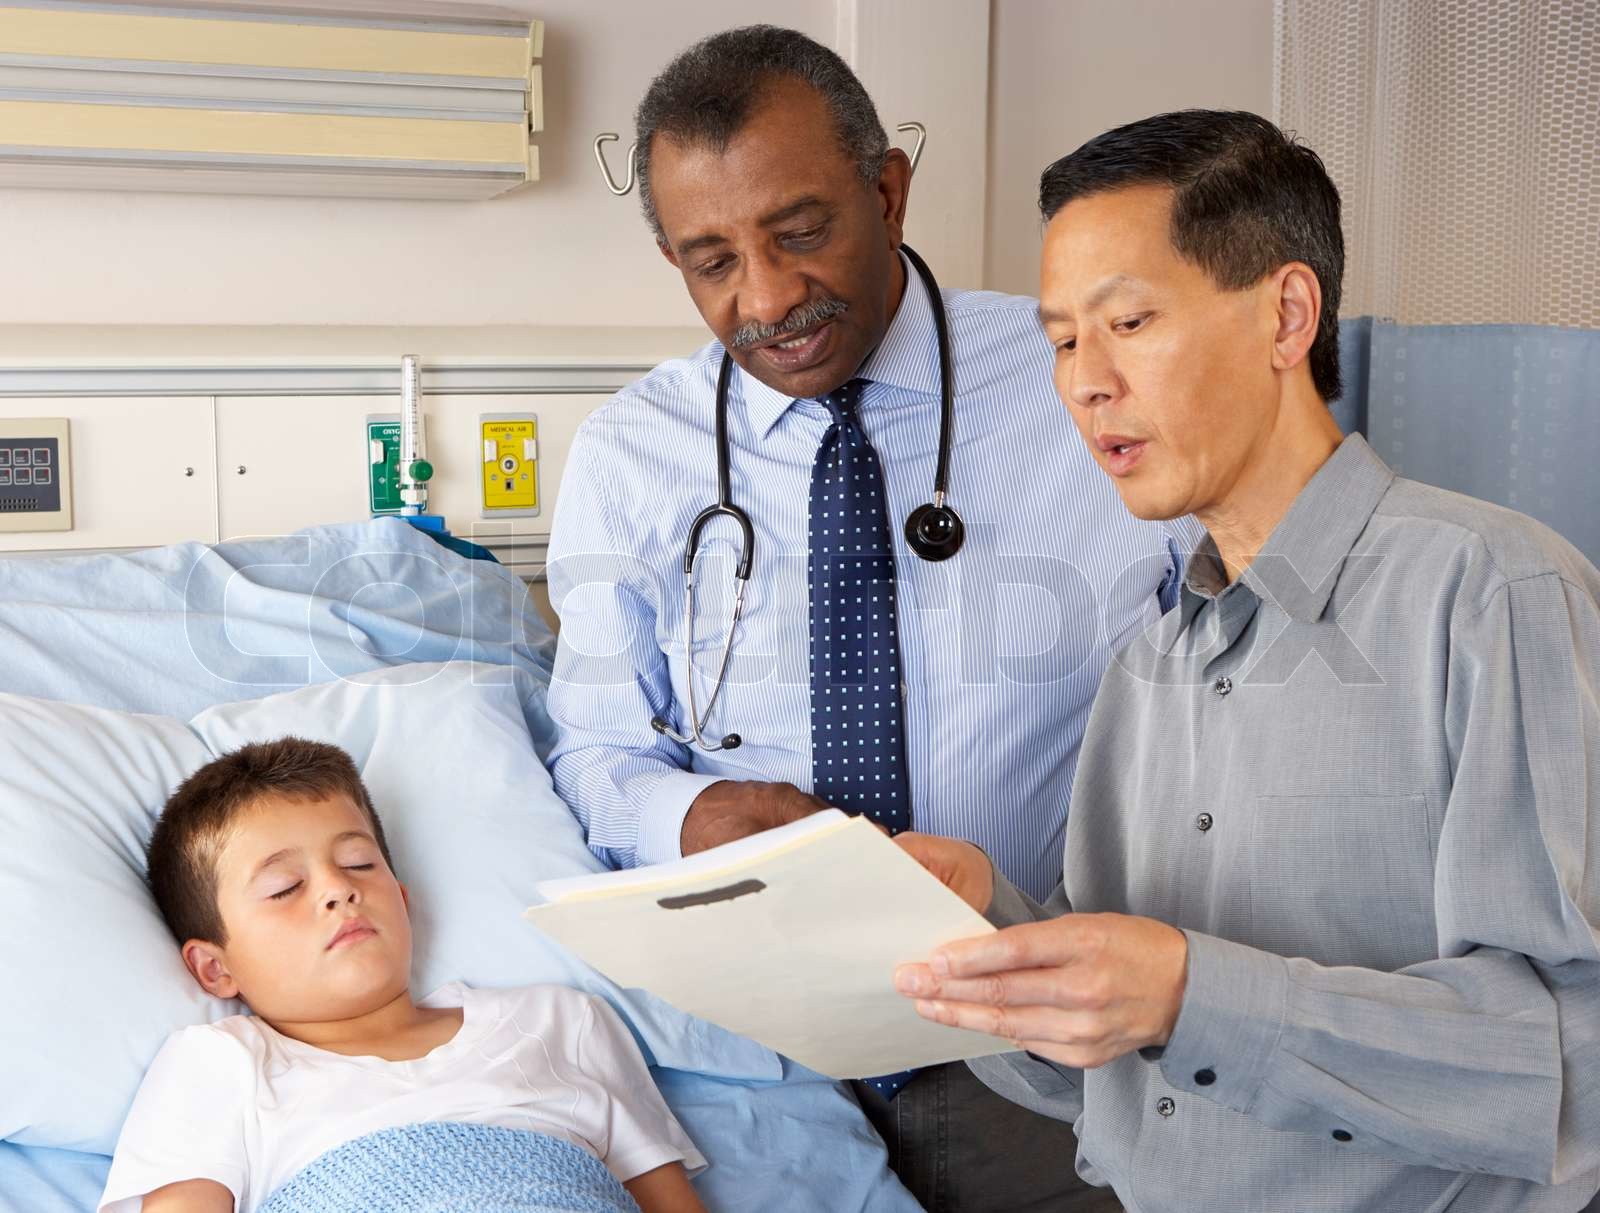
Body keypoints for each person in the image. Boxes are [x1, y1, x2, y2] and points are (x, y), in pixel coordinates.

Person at [892, 109, 1600, 1211]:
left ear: (1286, 315)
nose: (1084, 382)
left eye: (1129, 321)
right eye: (1063, 340)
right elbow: (1111, 1077)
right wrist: (990, 924)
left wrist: (1194, 998)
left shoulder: (1490, 593)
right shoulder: (1146, 662)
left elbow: (1574, 1059)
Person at [545, 24, 1196, 1211]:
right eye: (711, 261)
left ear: (888, 190)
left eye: (800, 233)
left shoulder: (1081, 380)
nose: (767, 298)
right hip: (754, 1055)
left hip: (1041, 1028)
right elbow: (592, 753)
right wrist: (690, 814)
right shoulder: (628, 457)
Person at [99, 738, 705, 1213]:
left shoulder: (559, 1021)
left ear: (403, 899)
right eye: (285, 888)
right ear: (215, 967)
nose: (338, 889)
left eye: (359, 863)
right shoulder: (222, 1064)